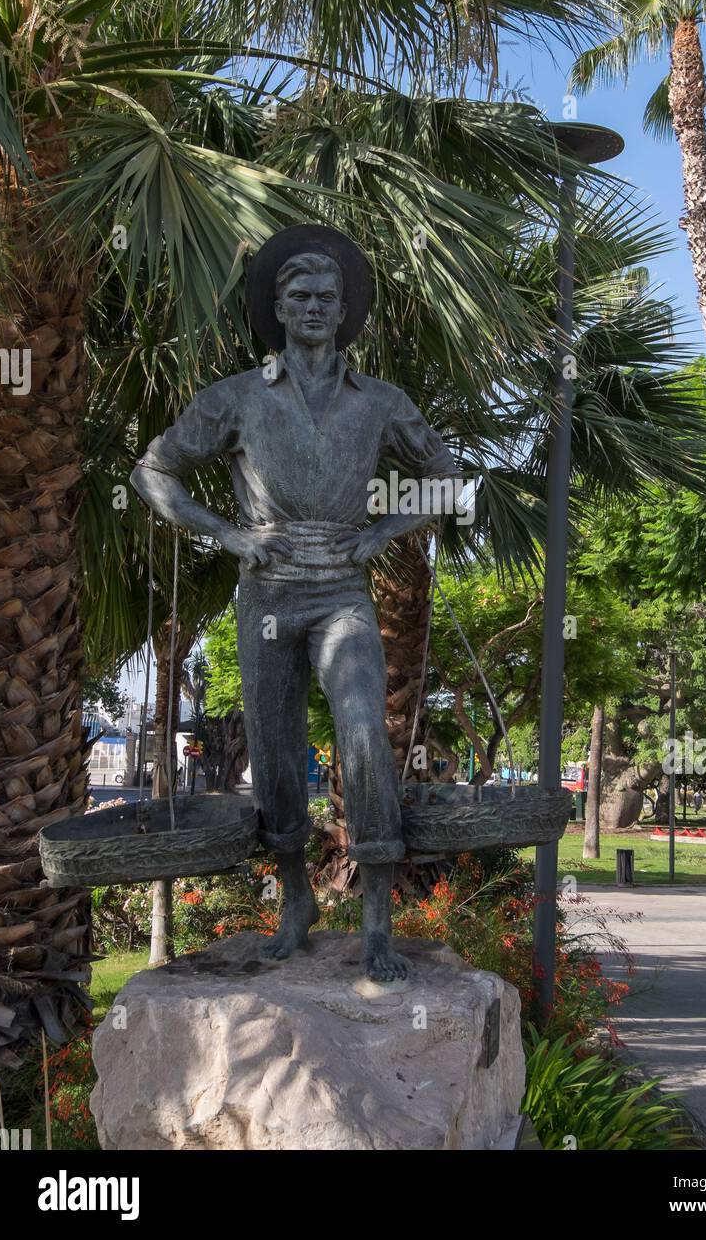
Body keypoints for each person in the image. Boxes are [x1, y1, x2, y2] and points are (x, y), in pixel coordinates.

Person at [131, 226, 459, 981]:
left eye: (326, 297)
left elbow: (445, 476)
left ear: (344, 310)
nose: (313, 306)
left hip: (343, 589)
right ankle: (296, 897)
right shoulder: (239, 397)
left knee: (364, 732)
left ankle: (377, 920)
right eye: (300, 296)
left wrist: (382, 531)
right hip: (269, 590)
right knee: (274, 749)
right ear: (278, 309)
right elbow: (154, 470)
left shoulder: (380, 402)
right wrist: (225, 533)